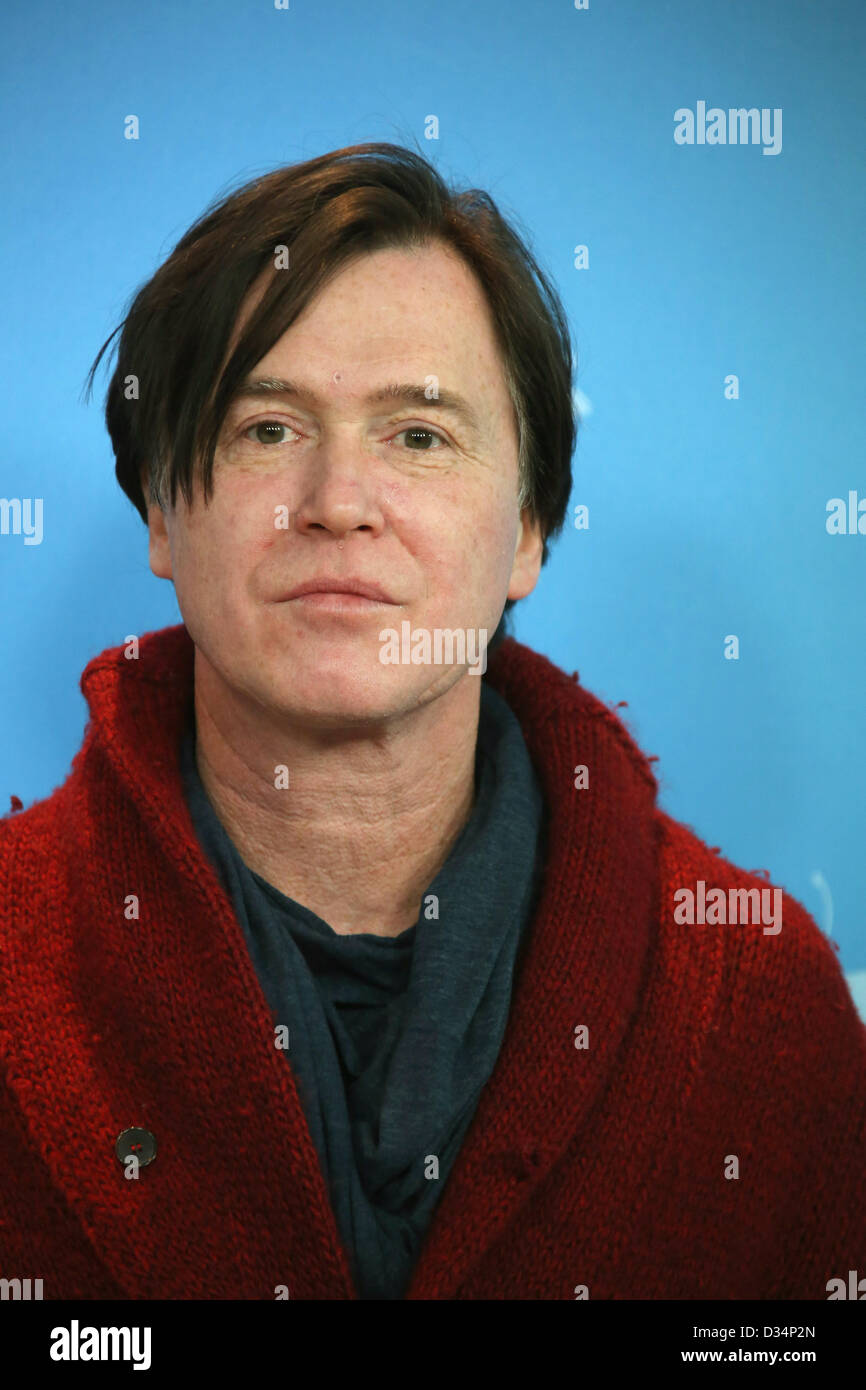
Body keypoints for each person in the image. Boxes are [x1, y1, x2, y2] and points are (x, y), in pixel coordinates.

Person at [1, 142, 863, 1301]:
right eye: (267, 428)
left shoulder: (755, 1005)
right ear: (161, 509)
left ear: (526, 533)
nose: (338, 503)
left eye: (418, 435)